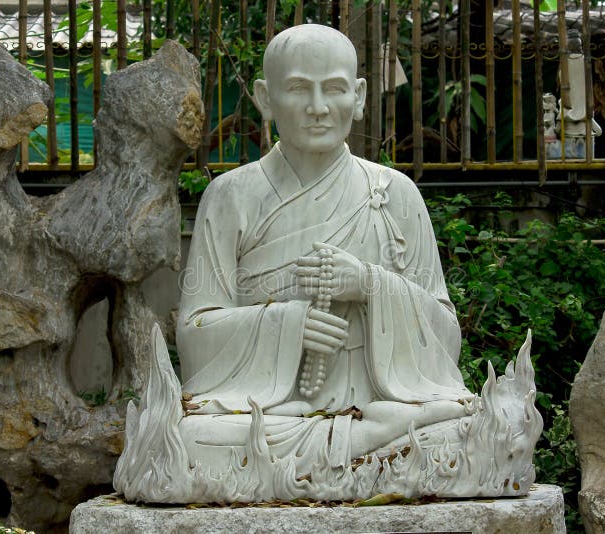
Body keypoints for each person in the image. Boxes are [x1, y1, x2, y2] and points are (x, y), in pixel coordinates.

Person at [176, 24, 472, 472]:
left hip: (380, 405)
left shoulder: (396, 194)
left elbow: (446, 338)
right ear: (265, 97)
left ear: (358, 95)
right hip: (269, 413)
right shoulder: (230, 197)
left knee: (459, 428)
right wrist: (290, 324)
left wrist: (370, 284)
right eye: (298, 89)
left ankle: (361, 439)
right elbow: (194, 334)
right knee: (194, 436)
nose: (318, 108)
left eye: (333, 89)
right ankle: (354, 447)